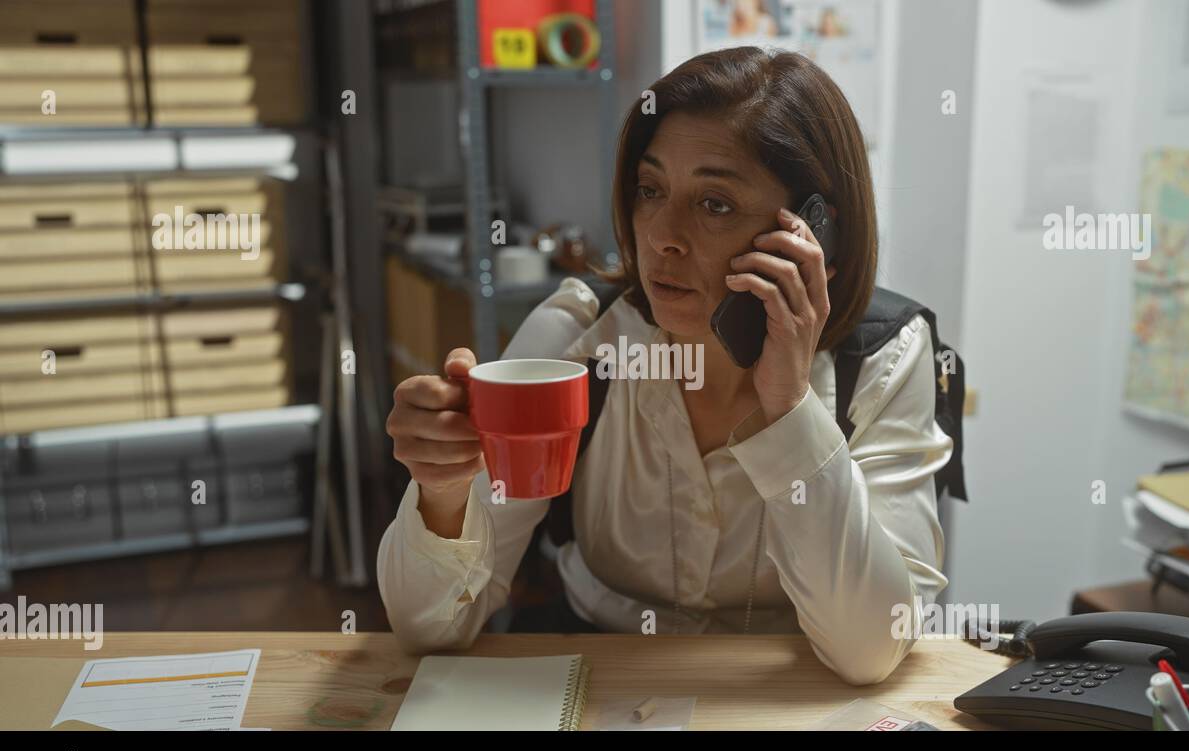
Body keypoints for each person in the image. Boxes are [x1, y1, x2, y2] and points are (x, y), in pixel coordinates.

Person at [379, 47, 952, 685]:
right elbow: (428, 628)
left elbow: (870, 650)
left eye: (715, 204)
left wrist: (789, 407)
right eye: (650, 190)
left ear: (814, 235)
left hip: (784, 698)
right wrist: (442, 490)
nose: (661, 236)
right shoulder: (577, 344)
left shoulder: (882, 359)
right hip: (594, 680)